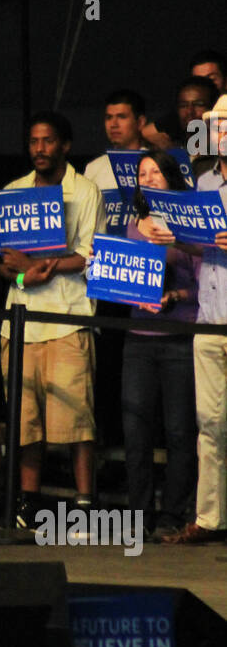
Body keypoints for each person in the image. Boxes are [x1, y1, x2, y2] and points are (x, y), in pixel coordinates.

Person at [0, 112, 106, 527]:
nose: (39, 149)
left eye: (47, 141)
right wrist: (23, 272)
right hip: (20, 320)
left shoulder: (86, 190)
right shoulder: (13, 191)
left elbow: (90, 254)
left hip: (69, 317)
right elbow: (3, 261)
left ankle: (83, 505)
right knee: (25, 422)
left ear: (65, 145)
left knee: (77, 419)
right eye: (34, 142)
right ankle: (28, 503)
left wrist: (47, 265)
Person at [137, 94, 227, 543]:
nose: (220, 131)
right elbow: (201, 248)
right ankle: (209, 520)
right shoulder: (206, 181)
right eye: (217, 125)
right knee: (209, 424)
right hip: (210, 319)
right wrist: (179, 237)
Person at [120, 151, 199, 540]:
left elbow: (208, 285)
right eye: (142, 173)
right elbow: (122, 280)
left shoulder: (188, 226)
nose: (148, 178)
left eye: (155, 172)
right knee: (136, 431)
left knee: (180, 432)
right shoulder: (132, 224)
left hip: (180, 339)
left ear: (172, 178)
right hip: (138, 339)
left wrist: (175, 295)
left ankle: (171, 514)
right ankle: (137, 514)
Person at [84, 88, 149, 192]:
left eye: (122, 117)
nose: (113, 124)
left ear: (140, 122)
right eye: (109, 117)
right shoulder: (94, 168)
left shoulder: (157, 164)